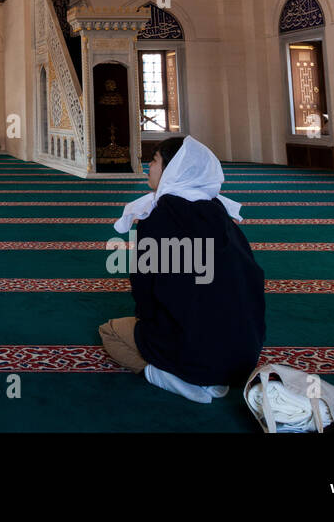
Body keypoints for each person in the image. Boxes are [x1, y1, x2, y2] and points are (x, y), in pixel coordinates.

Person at [99, 135, 266, 403]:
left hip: (194, 353)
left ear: (172, 169)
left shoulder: (158, 218)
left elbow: (145, 294)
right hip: (245, 355)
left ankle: (182, 382)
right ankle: (202, 371)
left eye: (154, 161)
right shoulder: (221, 213)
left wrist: (148, 329)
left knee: (110, 332)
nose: (148, 168)